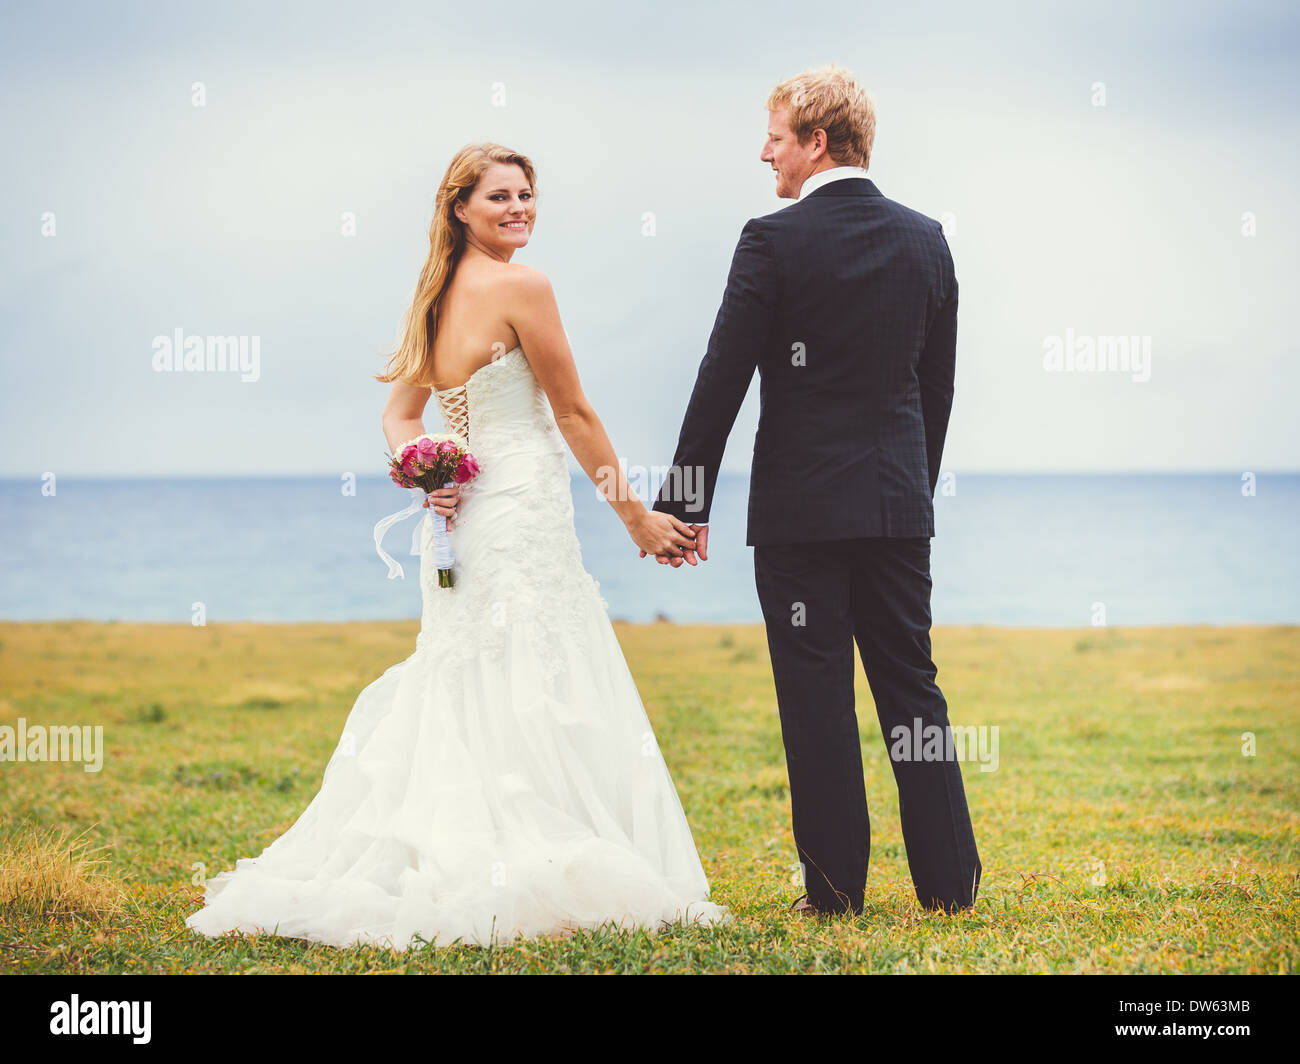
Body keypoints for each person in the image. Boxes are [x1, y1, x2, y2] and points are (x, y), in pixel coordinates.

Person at [184, 143, 730, 950]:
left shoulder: (435, 296)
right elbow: (573, 414)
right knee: (531, 663)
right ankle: (531, 855)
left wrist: (427, 466)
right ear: (460, 209)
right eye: (500, 197)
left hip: (471, 519)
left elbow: (402, 417)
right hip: (515, 514)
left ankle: (474, 844)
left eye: (528, 195)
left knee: (480, 667)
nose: (520, 209)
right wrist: (637, 519)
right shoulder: (522, 287)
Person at [650, 64, 982, 917]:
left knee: (816, 696)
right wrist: (910, 486)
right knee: (914, 687)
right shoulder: (928, 239)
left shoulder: (772, 239)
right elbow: (934, 391)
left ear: (817, 142)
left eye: (776, 137)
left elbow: (720, 378)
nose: (765, 154)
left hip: (800, 516)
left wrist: (685, 504)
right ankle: (951, 888)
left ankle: (835, 894)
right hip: (897, 508)